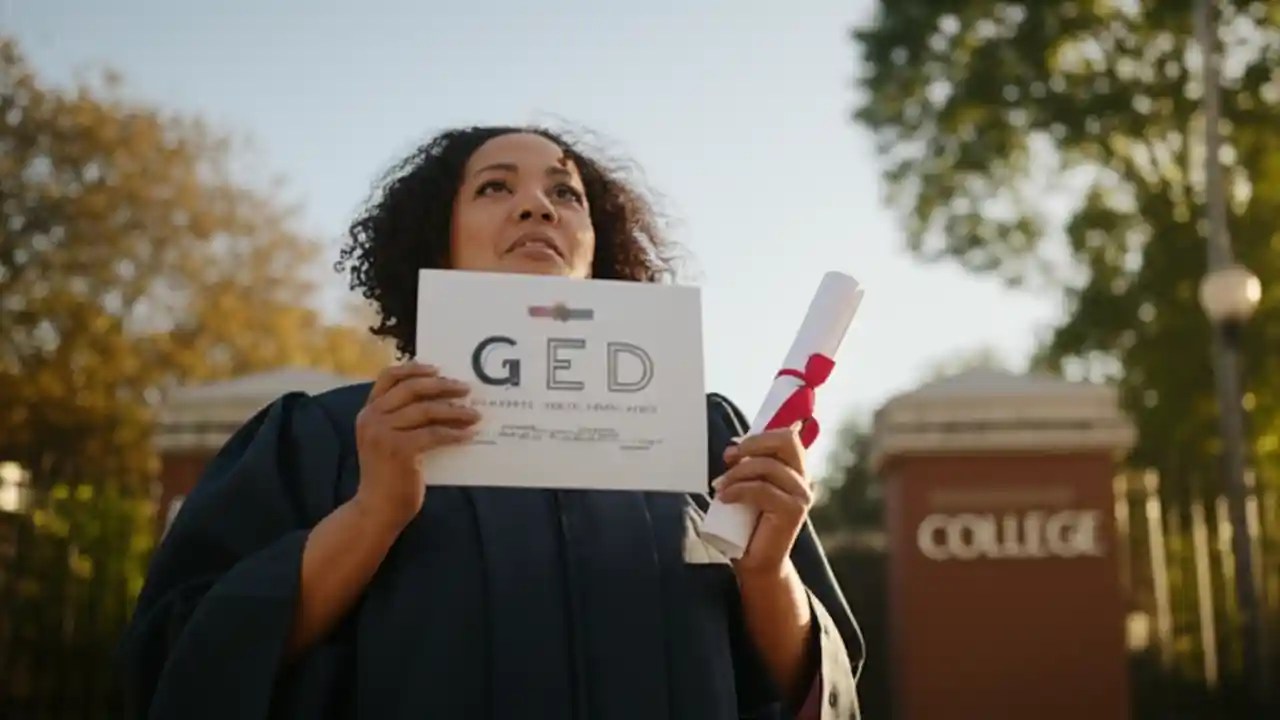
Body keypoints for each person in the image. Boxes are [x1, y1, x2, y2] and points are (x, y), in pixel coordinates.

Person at [119, 125, 864, 719]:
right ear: (436, 238)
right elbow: (188, 661)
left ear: (598, 246)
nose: (538, 206)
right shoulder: (324, 436)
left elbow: (812, 689)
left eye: (565, 193)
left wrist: (768, 574)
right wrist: (372, 514)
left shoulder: (705, 438)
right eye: (495, 186)